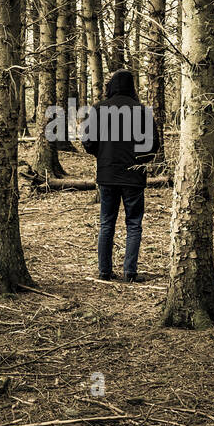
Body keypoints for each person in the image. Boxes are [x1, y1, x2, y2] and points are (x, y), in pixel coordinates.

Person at [81, 69, 155, 283]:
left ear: (111, 85)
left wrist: (103, 156)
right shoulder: (142, 111)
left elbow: (87, 143)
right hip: (133, 176)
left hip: (107, 174)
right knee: (134, 223)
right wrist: (140, 161)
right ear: (132, 86)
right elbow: (153, 145)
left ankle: (104, 272)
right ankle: (130, 273)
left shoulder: (99, 109)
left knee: (106, 223)